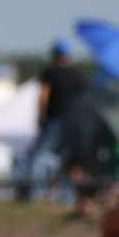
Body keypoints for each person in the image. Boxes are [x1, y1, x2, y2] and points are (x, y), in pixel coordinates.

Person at [33, 39, 84, 187]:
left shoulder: (49, 73)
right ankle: (67, 196)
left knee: (42, 156)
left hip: (54, 121)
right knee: (68, 160)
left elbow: (44, 96)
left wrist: (40, 117)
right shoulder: (78, 76)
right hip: (73, 124)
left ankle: (38, 192)